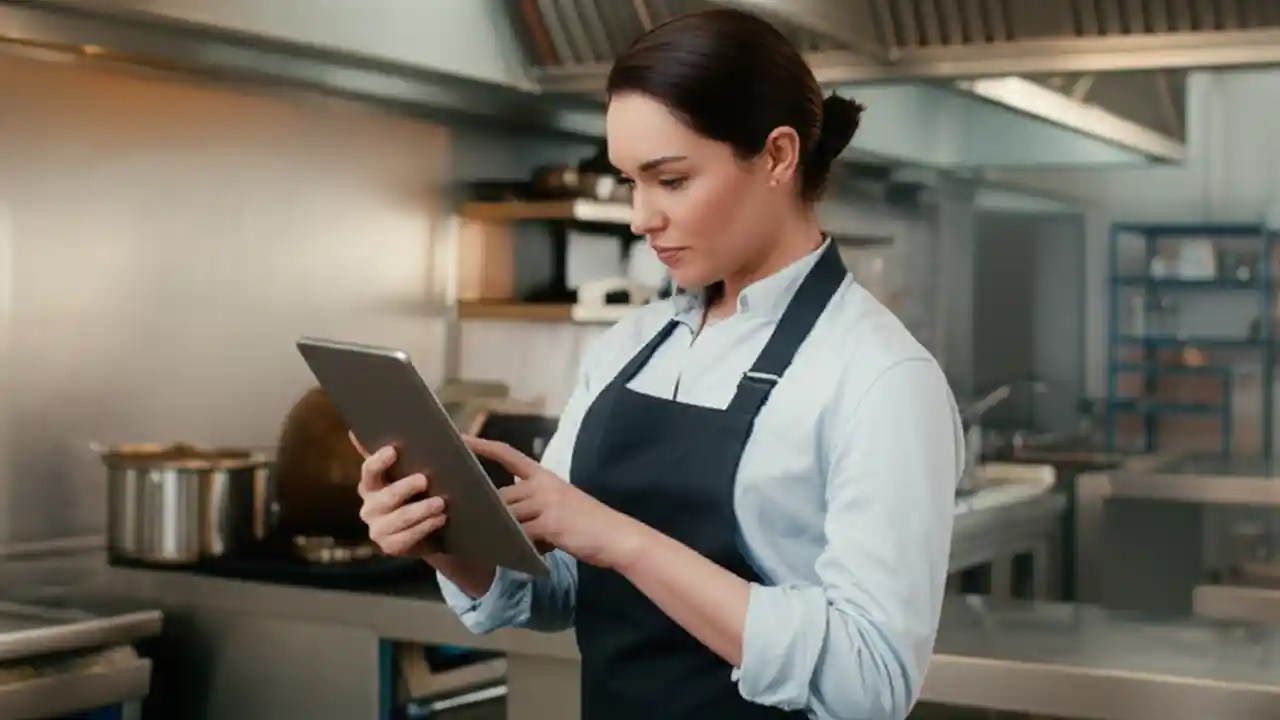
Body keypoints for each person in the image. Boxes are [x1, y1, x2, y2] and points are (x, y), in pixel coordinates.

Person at [355, 8, 963, 719]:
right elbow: (559, 592)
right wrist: (447, 540)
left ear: (776, 156)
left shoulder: (879, 377)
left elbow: (871, 684)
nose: (642, 216)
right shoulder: (631, 344)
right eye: (629, 182)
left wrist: (622, 539)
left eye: (670, 180)